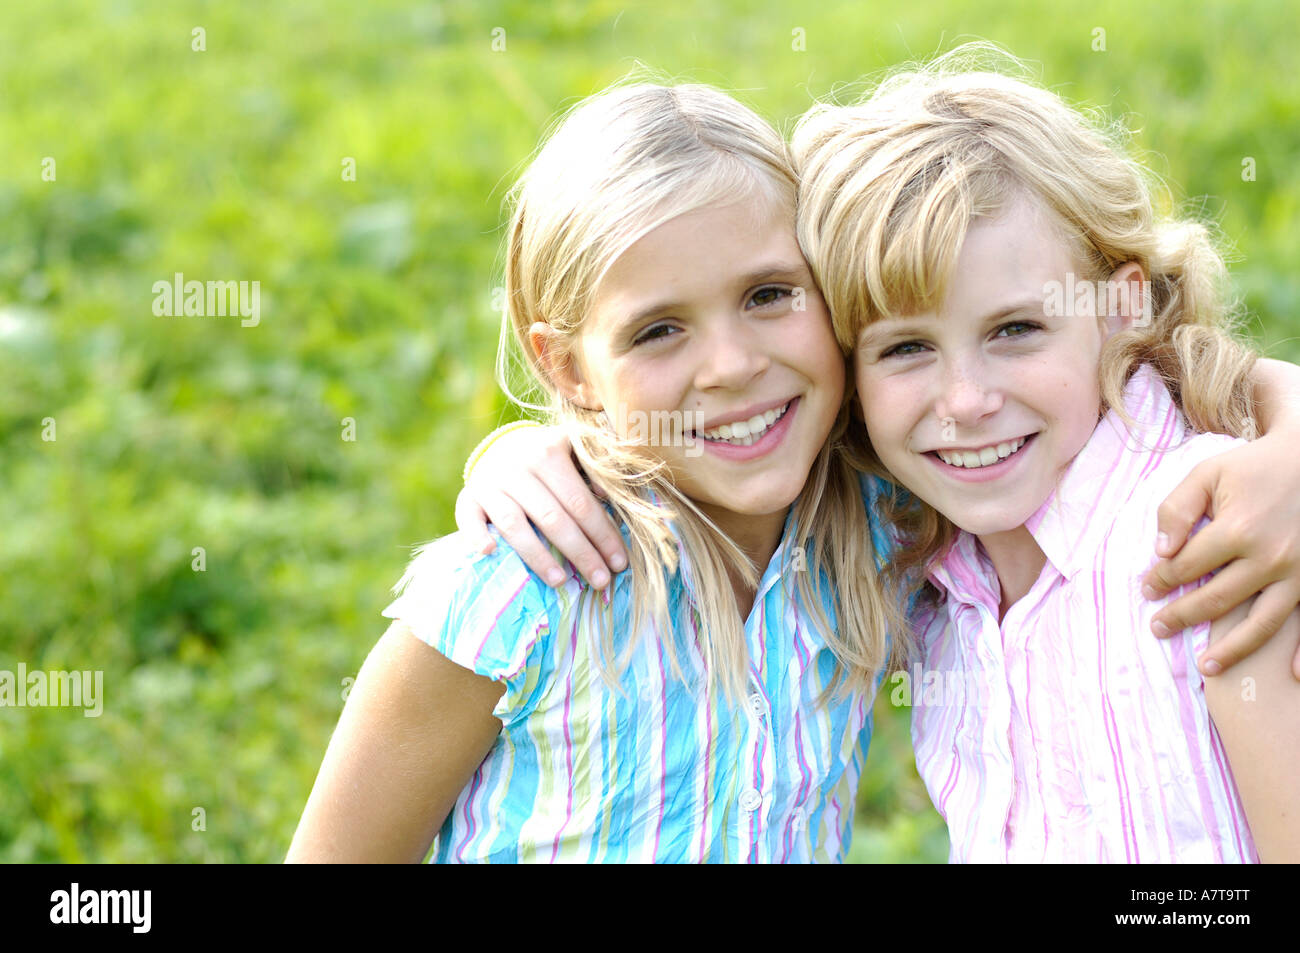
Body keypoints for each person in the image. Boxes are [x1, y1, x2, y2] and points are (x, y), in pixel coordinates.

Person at [287, 80, 906, 863]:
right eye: (658, 330)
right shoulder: (518, 594)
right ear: (569, 368)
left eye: (769, 294)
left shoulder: (881, 528)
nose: (732, 365)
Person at [789, 50, 1299, 860]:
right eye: (905, 348)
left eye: (1015, 330)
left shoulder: (1217, 538)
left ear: (1122, 305)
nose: (964, 400)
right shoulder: (929, 570)